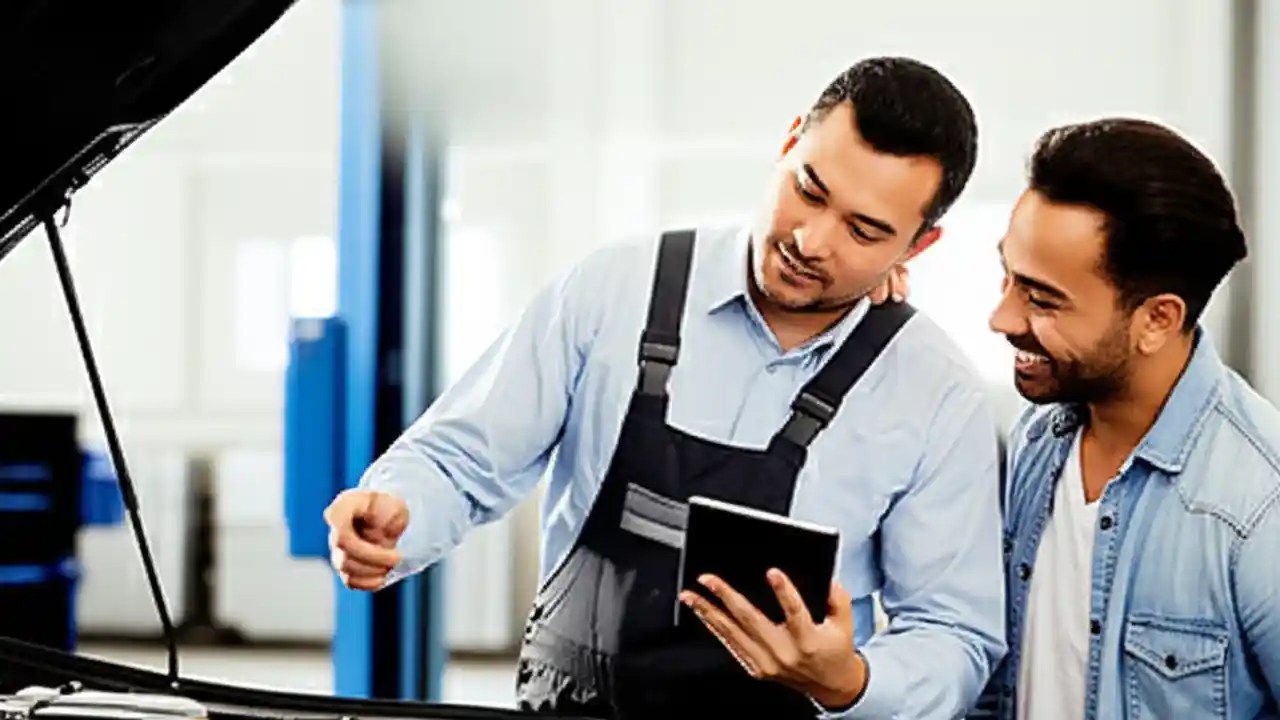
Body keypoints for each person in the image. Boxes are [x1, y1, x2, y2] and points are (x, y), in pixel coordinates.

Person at [324, 56, 1007, 718]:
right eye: (809, 188)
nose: (811, 239)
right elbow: (462, 460)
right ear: (789, 140)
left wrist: (850, 682)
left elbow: (953, 635)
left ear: (917, 246)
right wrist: (397, 512)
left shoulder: (939, 398)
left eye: (864, 230)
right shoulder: (613, 290)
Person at [975, 118, 1280, 719]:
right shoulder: (1041, 436)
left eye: (1040, 299)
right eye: (1007, 276)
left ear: (1158, 320)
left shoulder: (1258, 504)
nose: (1002, 317)